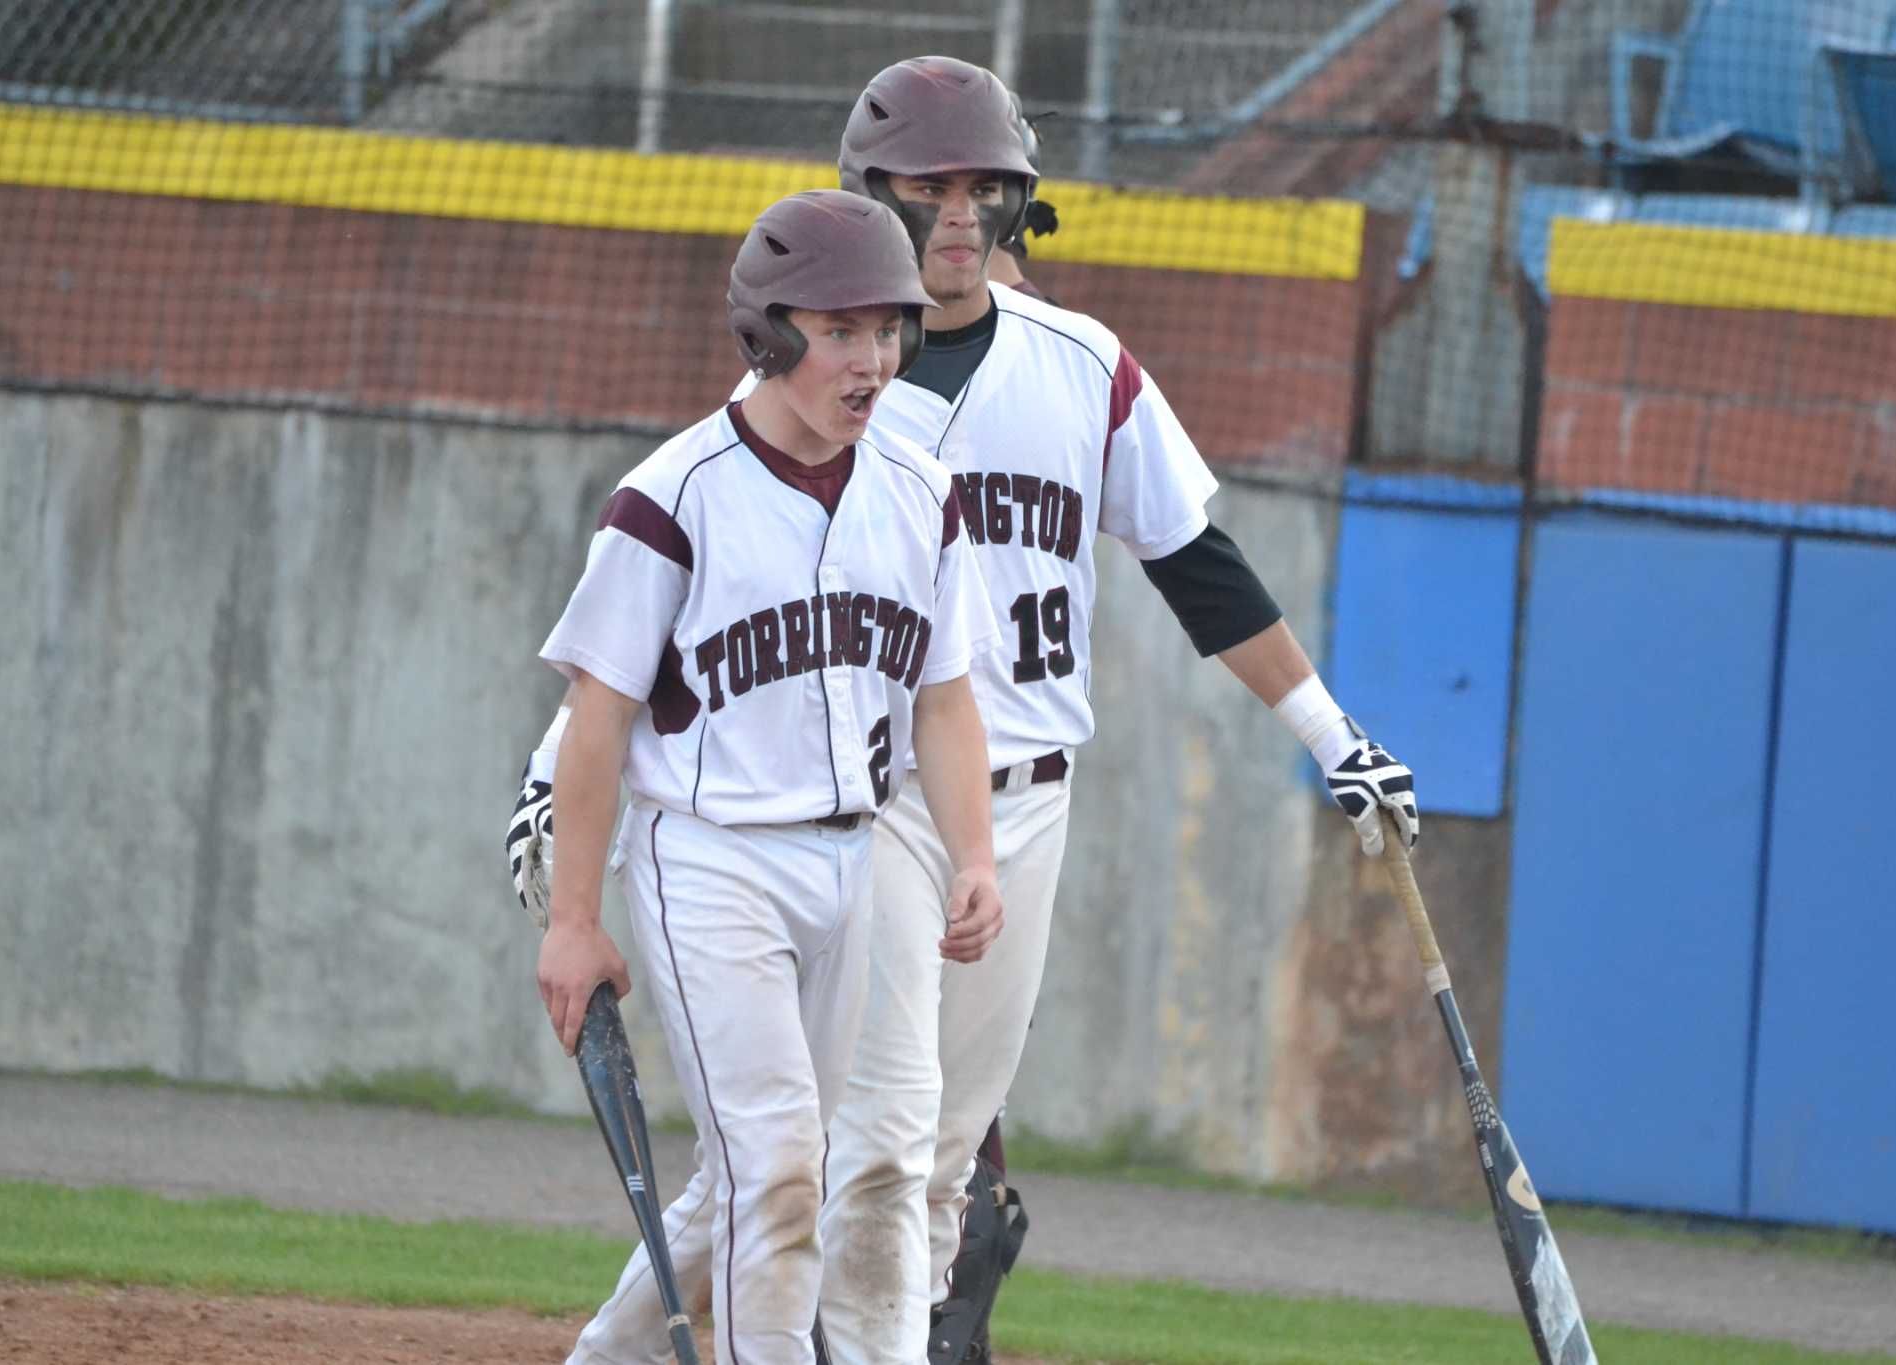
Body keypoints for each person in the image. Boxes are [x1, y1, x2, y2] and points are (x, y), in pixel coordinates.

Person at [511, 57, 1422, 1365]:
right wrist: (559, 773)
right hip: (869, 802)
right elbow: (690, 597)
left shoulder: (1082, 368)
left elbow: (1197, 566)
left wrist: (1337, 737)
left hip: (1027, 806)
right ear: (866, 199)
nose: (955, 215)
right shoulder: (830, 376)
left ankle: (628, 1346)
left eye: (983, 190)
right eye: (925, 188)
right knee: (848, 1149)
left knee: (917, 1161)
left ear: (1018, 209)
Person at [528, 187, 1003, 1365]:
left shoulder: (917, 491)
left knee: (756, 1177)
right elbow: (597, 721)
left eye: (886, 330)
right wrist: (575, 923)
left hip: (851, 864)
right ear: (769, 334)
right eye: (839, 331)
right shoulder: (673, 498)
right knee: (782, 1165)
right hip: (708, 862)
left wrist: (976, 852)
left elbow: (943, 697)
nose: (872, 360)